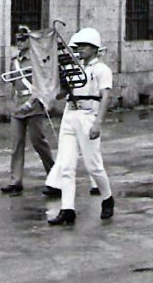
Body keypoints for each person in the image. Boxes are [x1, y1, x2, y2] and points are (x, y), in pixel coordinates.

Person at [48, 28, 114, 226]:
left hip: (88, 114)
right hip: (70, 114)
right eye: (78, 46)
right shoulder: (73, 68)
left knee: (93, 165)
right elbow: (61, 95)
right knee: (66, 165)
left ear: (94, 48)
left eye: (84, 46)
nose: (80, 50)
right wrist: (59, 84)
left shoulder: (102, 69)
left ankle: (107, 198)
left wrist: (98, 123)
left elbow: (106, 97)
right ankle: (67, 209)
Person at [0, 26, 55, 195]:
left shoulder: (36, 60)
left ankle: (54, 176)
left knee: (38, 142)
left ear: (30, 40)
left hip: (34, 104)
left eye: (23, 39)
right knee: (16, 144)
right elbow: (13, 84)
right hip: (18, 105)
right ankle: (15, 180)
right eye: (17, 39)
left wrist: (33, 102)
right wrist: (12, 103)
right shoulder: (14, 61)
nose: (20, 42)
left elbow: (42, 85)